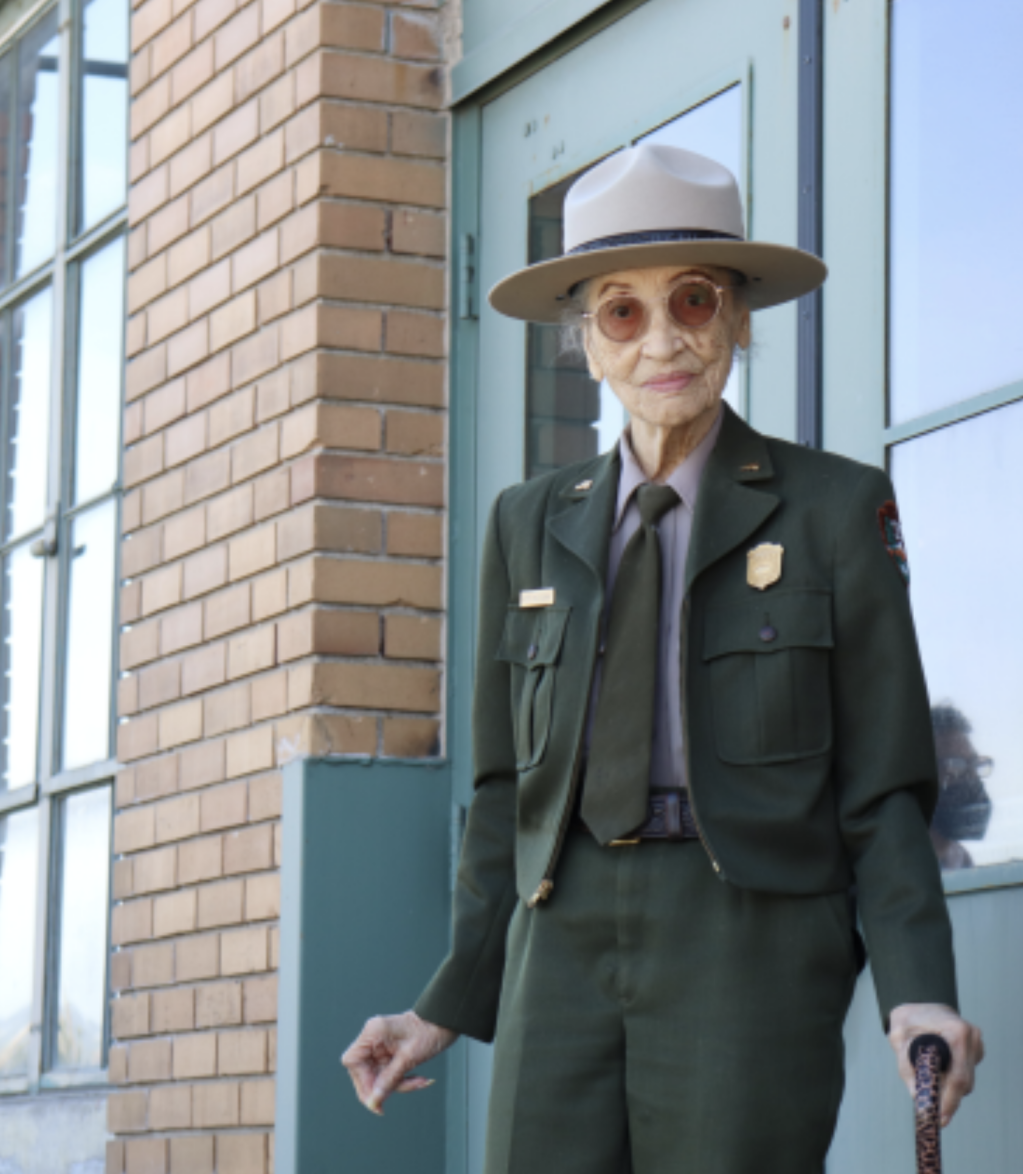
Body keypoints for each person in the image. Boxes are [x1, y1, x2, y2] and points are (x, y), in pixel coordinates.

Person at [341, 144, 985, 1173]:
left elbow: (883, 790)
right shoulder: (526, 523)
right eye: (622, 313)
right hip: (560, 938)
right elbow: (506, 792)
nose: (662, 343)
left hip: (751, 934)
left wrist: (918, 987)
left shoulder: (831, 507)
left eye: (691, 301)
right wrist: (444, 1003)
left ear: (735, 317)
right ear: (585, 343)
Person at [929, 704, 994, 871]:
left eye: (973, 764)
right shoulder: (892, 863)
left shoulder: (961, 860)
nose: (972, 778)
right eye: (955, 766)